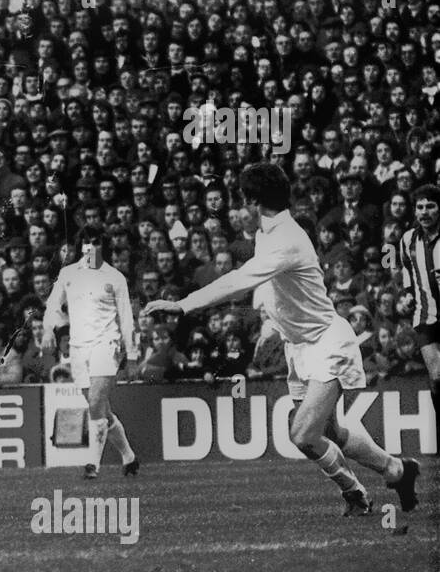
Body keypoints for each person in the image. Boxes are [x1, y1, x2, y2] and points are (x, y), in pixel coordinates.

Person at [145, 163, 419, 515]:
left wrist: (182, 305)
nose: (234, 209)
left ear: (254, 202)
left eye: (239, 201)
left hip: (326, 342)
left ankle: (355, 493)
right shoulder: (266, 234)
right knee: (330, 432)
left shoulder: (286, 239)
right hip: (299, 346)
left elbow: (236, 282)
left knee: (303, 434)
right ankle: (398, 470)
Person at [42, 225, 139, 478]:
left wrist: (133, 354)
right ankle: (129, 457)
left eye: (95, 242)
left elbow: (126, 319)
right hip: (78, 348)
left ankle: (92, 464)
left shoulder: (115, 278)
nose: (90, 247)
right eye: (86, 242)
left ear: (102, 245)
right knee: (102, 410)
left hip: (107, 344)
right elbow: (52, 305)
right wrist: (47, 332)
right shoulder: (68, 274)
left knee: (95, 403)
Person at [396, 184, 440, 438]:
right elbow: (407, 270)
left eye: (431, 206)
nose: (424, 212)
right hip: (426, 316)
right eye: (420, 207)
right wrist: (409, 295)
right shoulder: (407, 239)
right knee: (437, 378)